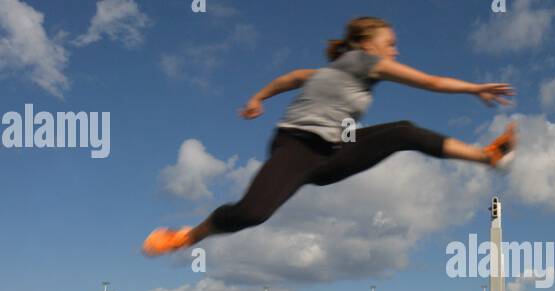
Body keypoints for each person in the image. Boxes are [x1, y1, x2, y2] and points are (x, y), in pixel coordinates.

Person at [142, 16, 517, 255]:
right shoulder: (362, 62)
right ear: (365, 44)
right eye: (390, 44)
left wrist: (259, 97)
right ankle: (189, 236)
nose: (395, 51)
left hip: (336, 152)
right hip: (297, 148)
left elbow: (290, 78)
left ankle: (488, 156)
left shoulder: (331, 72)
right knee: (253, 213)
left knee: (403, 131)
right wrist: (473, 88)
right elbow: (431, 81)